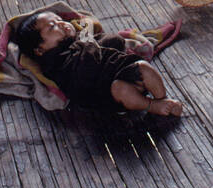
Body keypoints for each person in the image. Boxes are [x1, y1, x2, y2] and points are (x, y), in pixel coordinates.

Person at [14, 12, 183, 115]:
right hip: (104, 93)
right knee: (121, 88)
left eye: (59, 19)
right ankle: (151, 105)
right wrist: (90, 41)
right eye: (52, 27)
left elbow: (110, 43)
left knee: (144, 68)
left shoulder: (78, 41)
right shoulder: (54, 62)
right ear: (40, 49)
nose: (62, 24)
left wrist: (94, 40)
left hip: (120, 70)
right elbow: (87, 65)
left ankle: (163, 99)